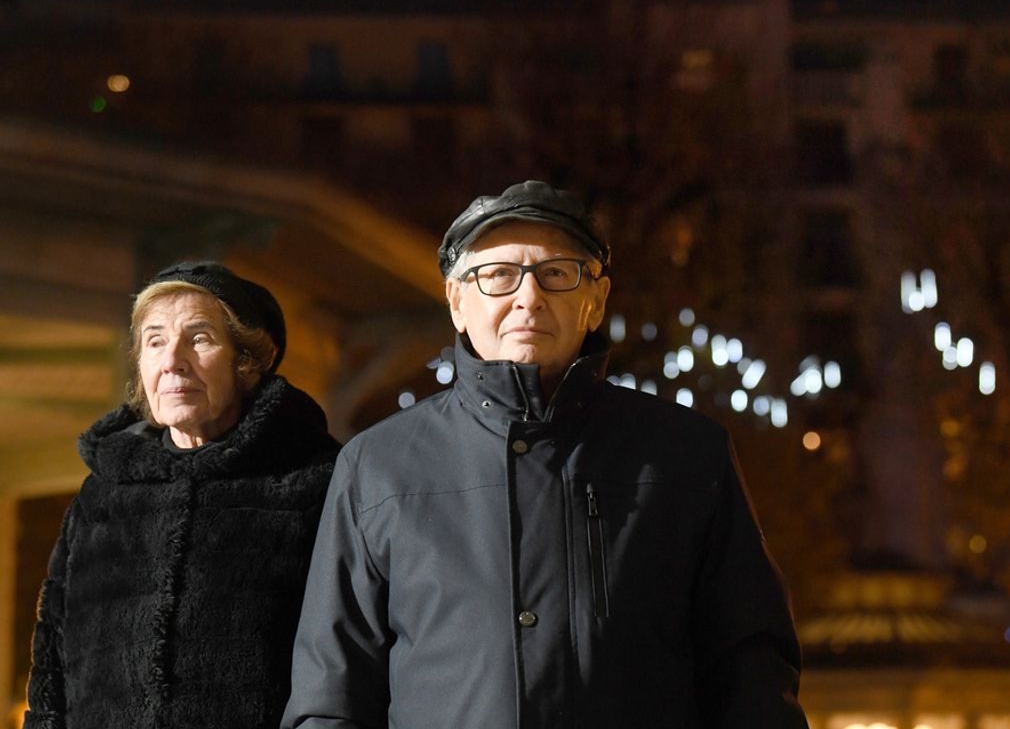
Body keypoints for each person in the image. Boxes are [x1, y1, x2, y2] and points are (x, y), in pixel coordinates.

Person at [283, 181, 807, 728]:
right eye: (498, 275)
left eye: (556, 274)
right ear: (457, 301)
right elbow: (332, 691)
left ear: (597, 300)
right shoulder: (378, 465)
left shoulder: (686, 453)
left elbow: (752, 671)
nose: (528, 298)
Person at [24, 261, 341, 729]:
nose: (172, 360)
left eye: (199, 338)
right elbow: (51, 661)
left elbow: (348, 662)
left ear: (249, 362)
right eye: (154, 341)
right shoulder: (102, 495)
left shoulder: (314, 483)